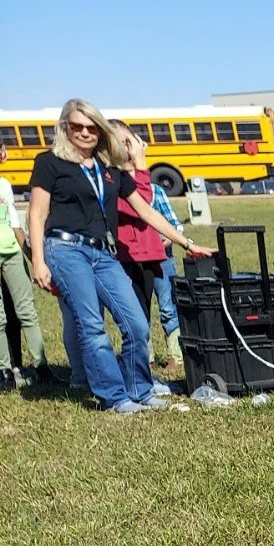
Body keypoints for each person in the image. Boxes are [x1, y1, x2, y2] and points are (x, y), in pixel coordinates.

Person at [26, 99, 210, 414]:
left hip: (104, 253)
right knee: (92, 324)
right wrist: (39, 261)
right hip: (66, 250)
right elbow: (37, 214)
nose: (84, 133)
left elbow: (145, 210)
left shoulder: (109, 168)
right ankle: (113, 397)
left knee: (137, 324)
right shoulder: (50, 162)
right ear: (65, 128)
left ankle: (140, 389)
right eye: (77, 127)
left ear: (100, 130)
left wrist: (186, 242)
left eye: (91, 127)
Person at [107, 121, 182, 370]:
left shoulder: (149, 184)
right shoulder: (113, 181)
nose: (129, 147)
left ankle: (172, 356)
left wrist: (179, 240)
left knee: (166, 307)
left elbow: (162, 215)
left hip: (154, 257)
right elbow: (141, 203)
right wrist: (141, 165)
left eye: (130, 141)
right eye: (122, 142)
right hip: (127, 258)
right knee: (138, 315)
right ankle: (141, 362)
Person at [0, 141, 50, 390]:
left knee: (26, 310)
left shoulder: (5, 185)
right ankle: (5, 371)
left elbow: (14, 223)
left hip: (11, 253)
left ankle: (41, 366)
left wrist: (33, 256)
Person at [146, 179, 185, 370]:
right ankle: (146, 358)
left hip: (162, 259)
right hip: (135, 260)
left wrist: (170, 237)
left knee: (169, 307)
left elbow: (175, 224)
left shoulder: (156, 191)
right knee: (138, 309)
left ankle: (176, 356)